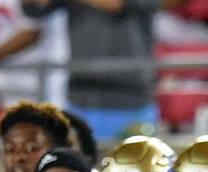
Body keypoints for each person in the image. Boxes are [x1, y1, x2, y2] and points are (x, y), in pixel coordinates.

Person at [24, 0, 158, 143]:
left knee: (135, 162)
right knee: (81, 163)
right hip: (82, 101)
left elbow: (115, 4)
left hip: (132, 102)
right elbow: (33, 6)